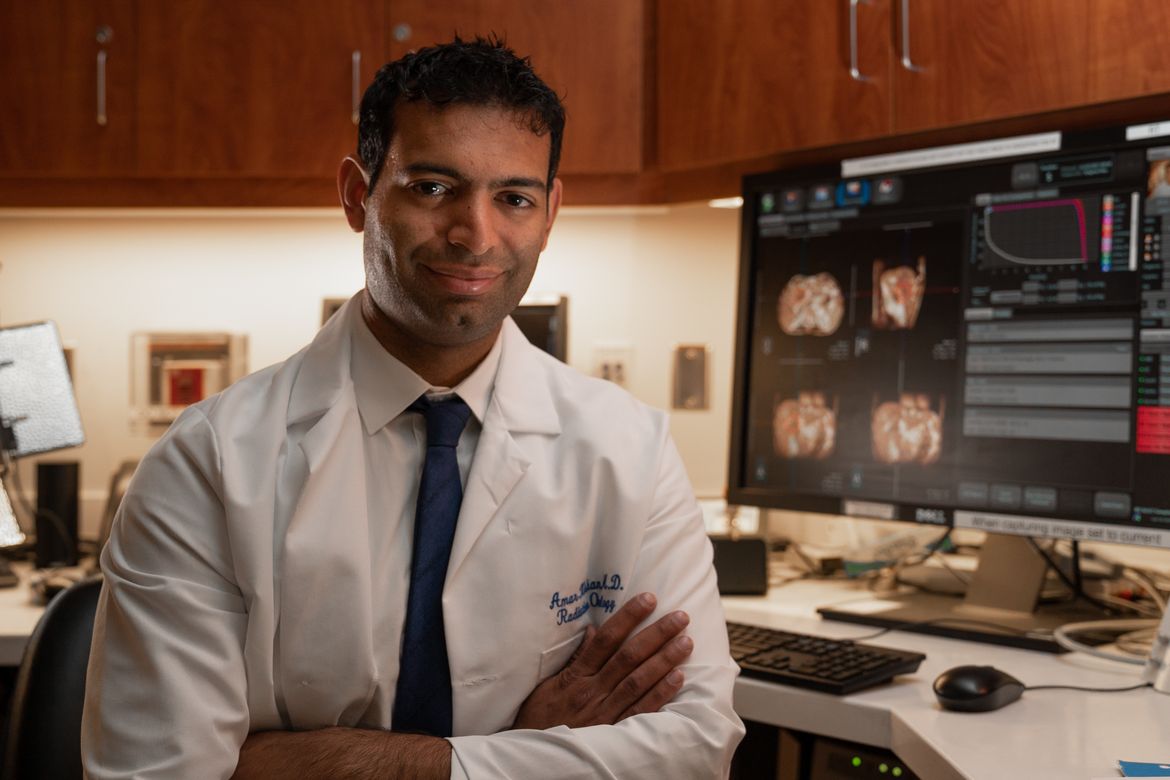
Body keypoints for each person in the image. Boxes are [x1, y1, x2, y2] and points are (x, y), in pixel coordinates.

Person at [82, 37, 743, 779]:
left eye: (514, 198)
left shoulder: (631, 450)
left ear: (551, 213)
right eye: (433, 188)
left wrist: (305, 763)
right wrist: (528, 752)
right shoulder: (209, 460)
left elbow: (695, 747)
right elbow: (154, 772)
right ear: (357, 195)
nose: (476, 234)